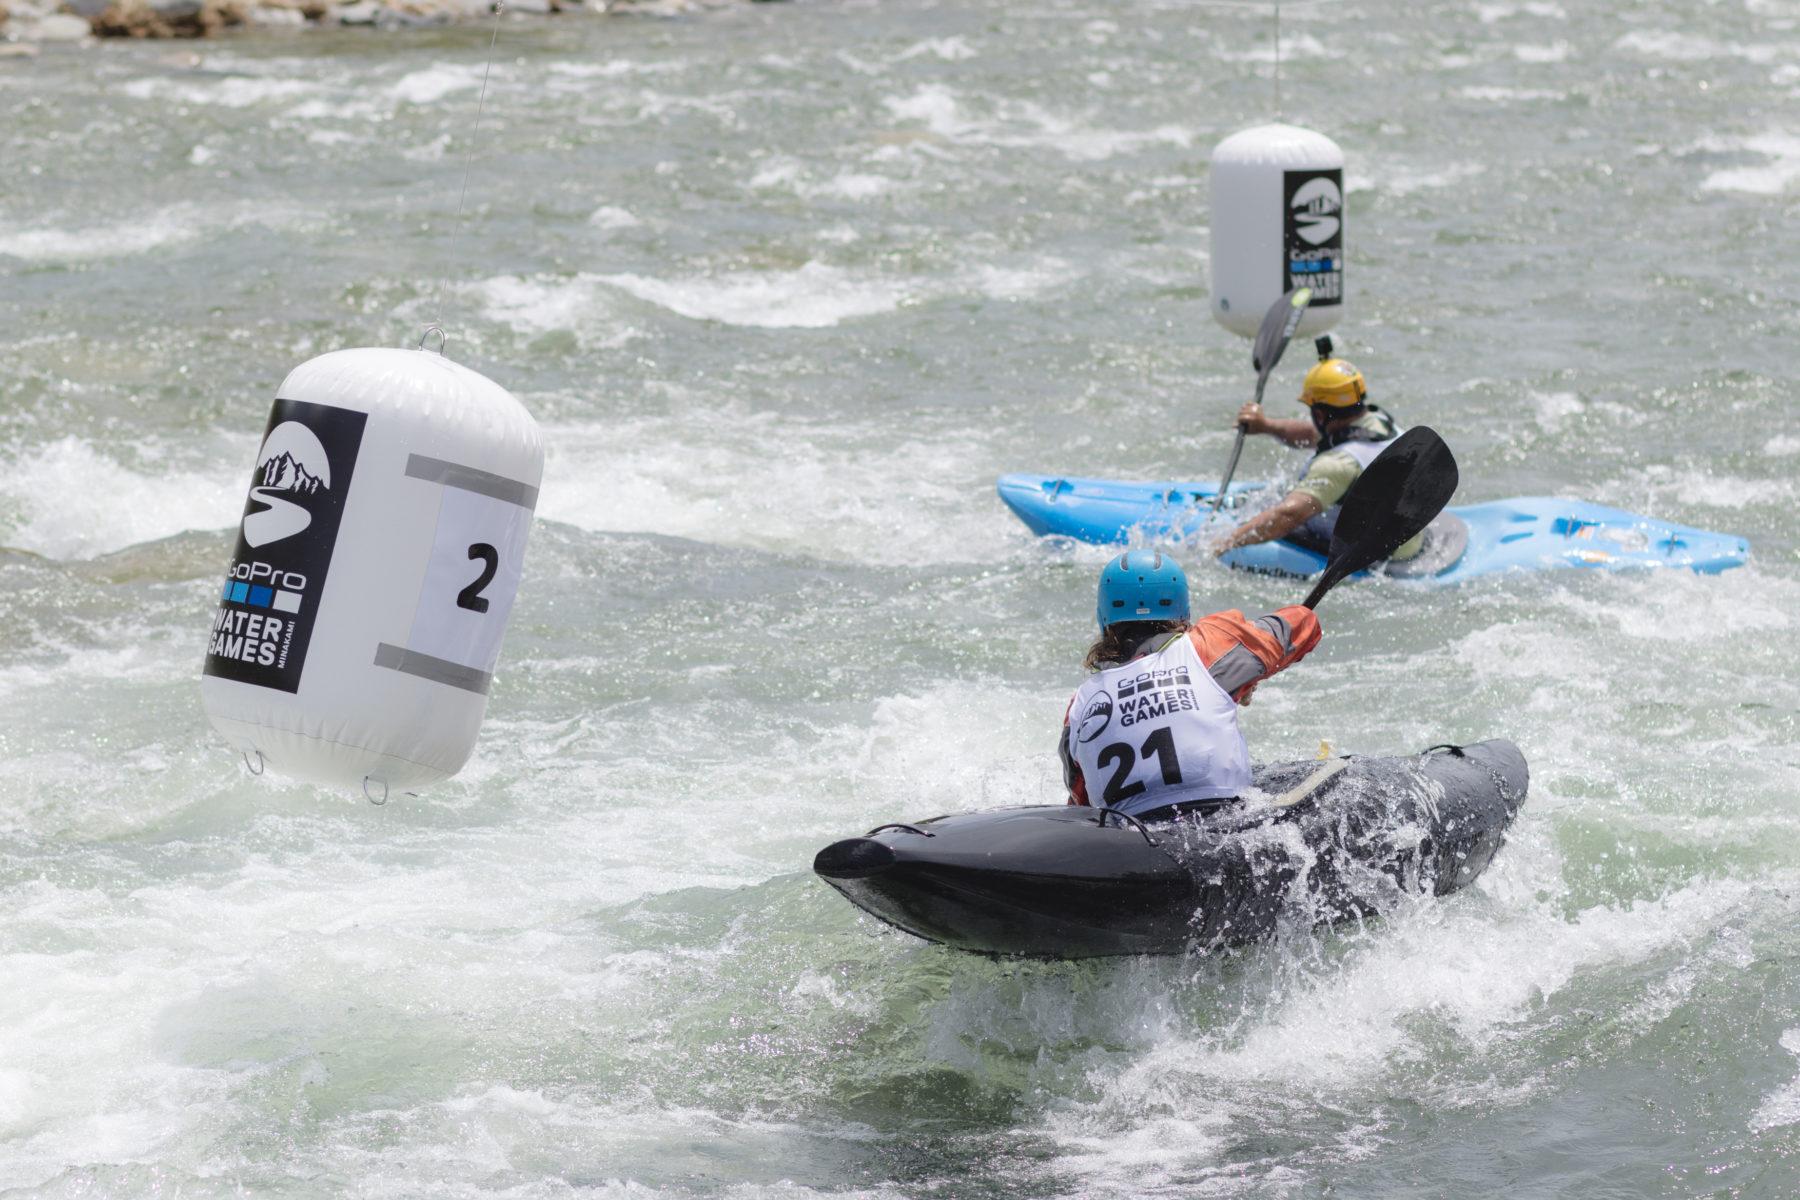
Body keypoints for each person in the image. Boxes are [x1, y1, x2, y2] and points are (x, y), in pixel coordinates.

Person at [1059, 551, 1319, 819]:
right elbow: (1301, 626)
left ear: (1104, 616)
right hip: (1226, 823)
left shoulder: (1081, 704)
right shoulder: (1207, 646)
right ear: (1181, 609)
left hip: (1132, 836)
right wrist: (1252, 674)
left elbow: (1081, 802)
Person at [1215, 357, 1424, 562]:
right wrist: (1266, 426)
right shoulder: (1379, 422)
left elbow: (1288, 515)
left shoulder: (1337, 464)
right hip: (1407, 540)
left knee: (1274, 511)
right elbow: (1312, 434)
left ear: (1320, 415)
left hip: (1378, 558)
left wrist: (1224, 544)